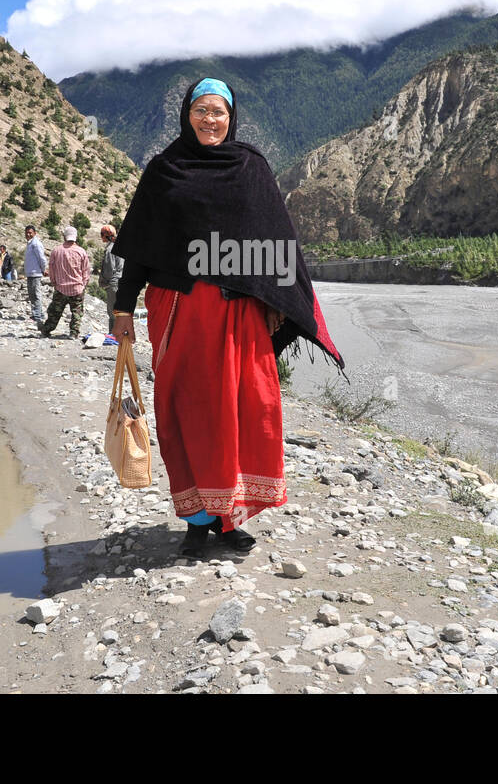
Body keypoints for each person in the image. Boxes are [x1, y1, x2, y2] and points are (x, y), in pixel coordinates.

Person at [110, 78, 343, 559]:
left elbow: (277, 237)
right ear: (186, 115)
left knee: (241, 407)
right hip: (179, 311)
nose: (209, 120)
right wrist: (123, 306)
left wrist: (280, 298)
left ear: (231, 116)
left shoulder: (250, 168)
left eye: (218, 111)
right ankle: (197, 521)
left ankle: (229, 517)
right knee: (186, 410)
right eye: (201, 110)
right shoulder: (164, 170)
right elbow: (141, 246)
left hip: (237, 312)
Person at [39, 226, 90, 338]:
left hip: (61, 288)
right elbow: (86, 271)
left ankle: (46, 330)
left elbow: (52, 269)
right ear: (76, 236)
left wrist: (54, 282)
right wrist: (83, 285)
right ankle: (74, 333)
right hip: (77, 288)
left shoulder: (56, 251)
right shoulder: (82, 252)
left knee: (54, 312)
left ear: (64, 236)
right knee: (77, 313)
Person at [98, 224, 124, 333]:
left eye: (102, 234)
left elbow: (109, 269)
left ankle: (114, 334)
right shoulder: (120, 246)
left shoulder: (110, 249)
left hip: (114, 283)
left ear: (106, 235)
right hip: (122, 281)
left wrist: (103, 281)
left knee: (112, 311)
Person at [23, 224, 47, 325]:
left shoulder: (36, 244)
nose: (28, 234)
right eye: (27, 233)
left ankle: (37, 316)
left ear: (35, 233)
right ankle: (39, 313)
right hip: (30, 273)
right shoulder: (30, 243)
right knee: (32, 295)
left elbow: (42, 258)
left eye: (30, 233)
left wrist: (44, 269)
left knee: (35, 294)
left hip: (36, 273)